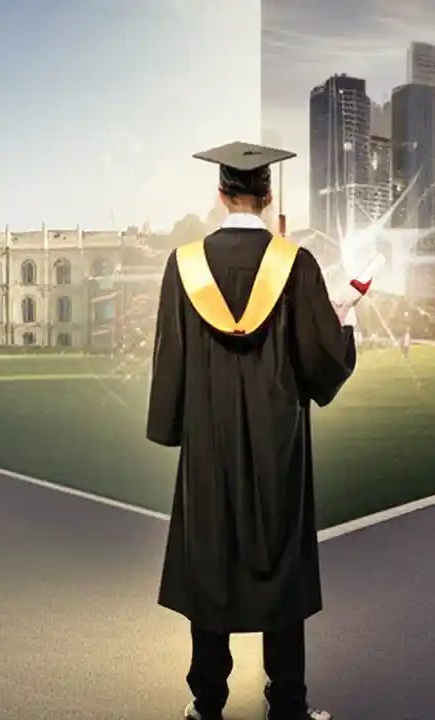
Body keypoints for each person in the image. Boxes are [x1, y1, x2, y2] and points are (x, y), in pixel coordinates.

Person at [146, 141, 357, 720]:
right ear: (267, 196)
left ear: (220, 194)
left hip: (209, 442)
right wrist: (347, 320)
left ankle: (206, 702)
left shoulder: (184, 265)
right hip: (277, 444)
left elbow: (171, 358)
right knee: (280, 560)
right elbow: (321, 358)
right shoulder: (296, 263)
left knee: (211, 557)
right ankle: (287, 705)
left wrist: (172, 424)